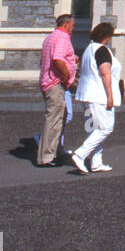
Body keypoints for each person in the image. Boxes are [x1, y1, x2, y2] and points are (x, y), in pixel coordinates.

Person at [71, 21, 123, 173]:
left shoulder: (89, 49)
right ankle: (80, 154)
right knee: (106, 128)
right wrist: (110, 95)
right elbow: (105, 73)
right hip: (98, 96)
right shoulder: (102, 50)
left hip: (86, 95)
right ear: (107, 36)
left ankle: (96, 162)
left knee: (92, 129)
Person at [36, 14, 77, 166]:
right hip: (55, 84)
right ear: (66, 25)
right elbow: (58, 60)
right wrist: (66, 76)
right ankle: (46, 157)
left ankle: (55, 149)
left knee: (61, 117)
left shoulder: (51, 37)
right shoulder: (62, 38)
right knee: (54, 120)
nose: (73, 28)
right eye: (72, 25)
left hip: (48, 82)